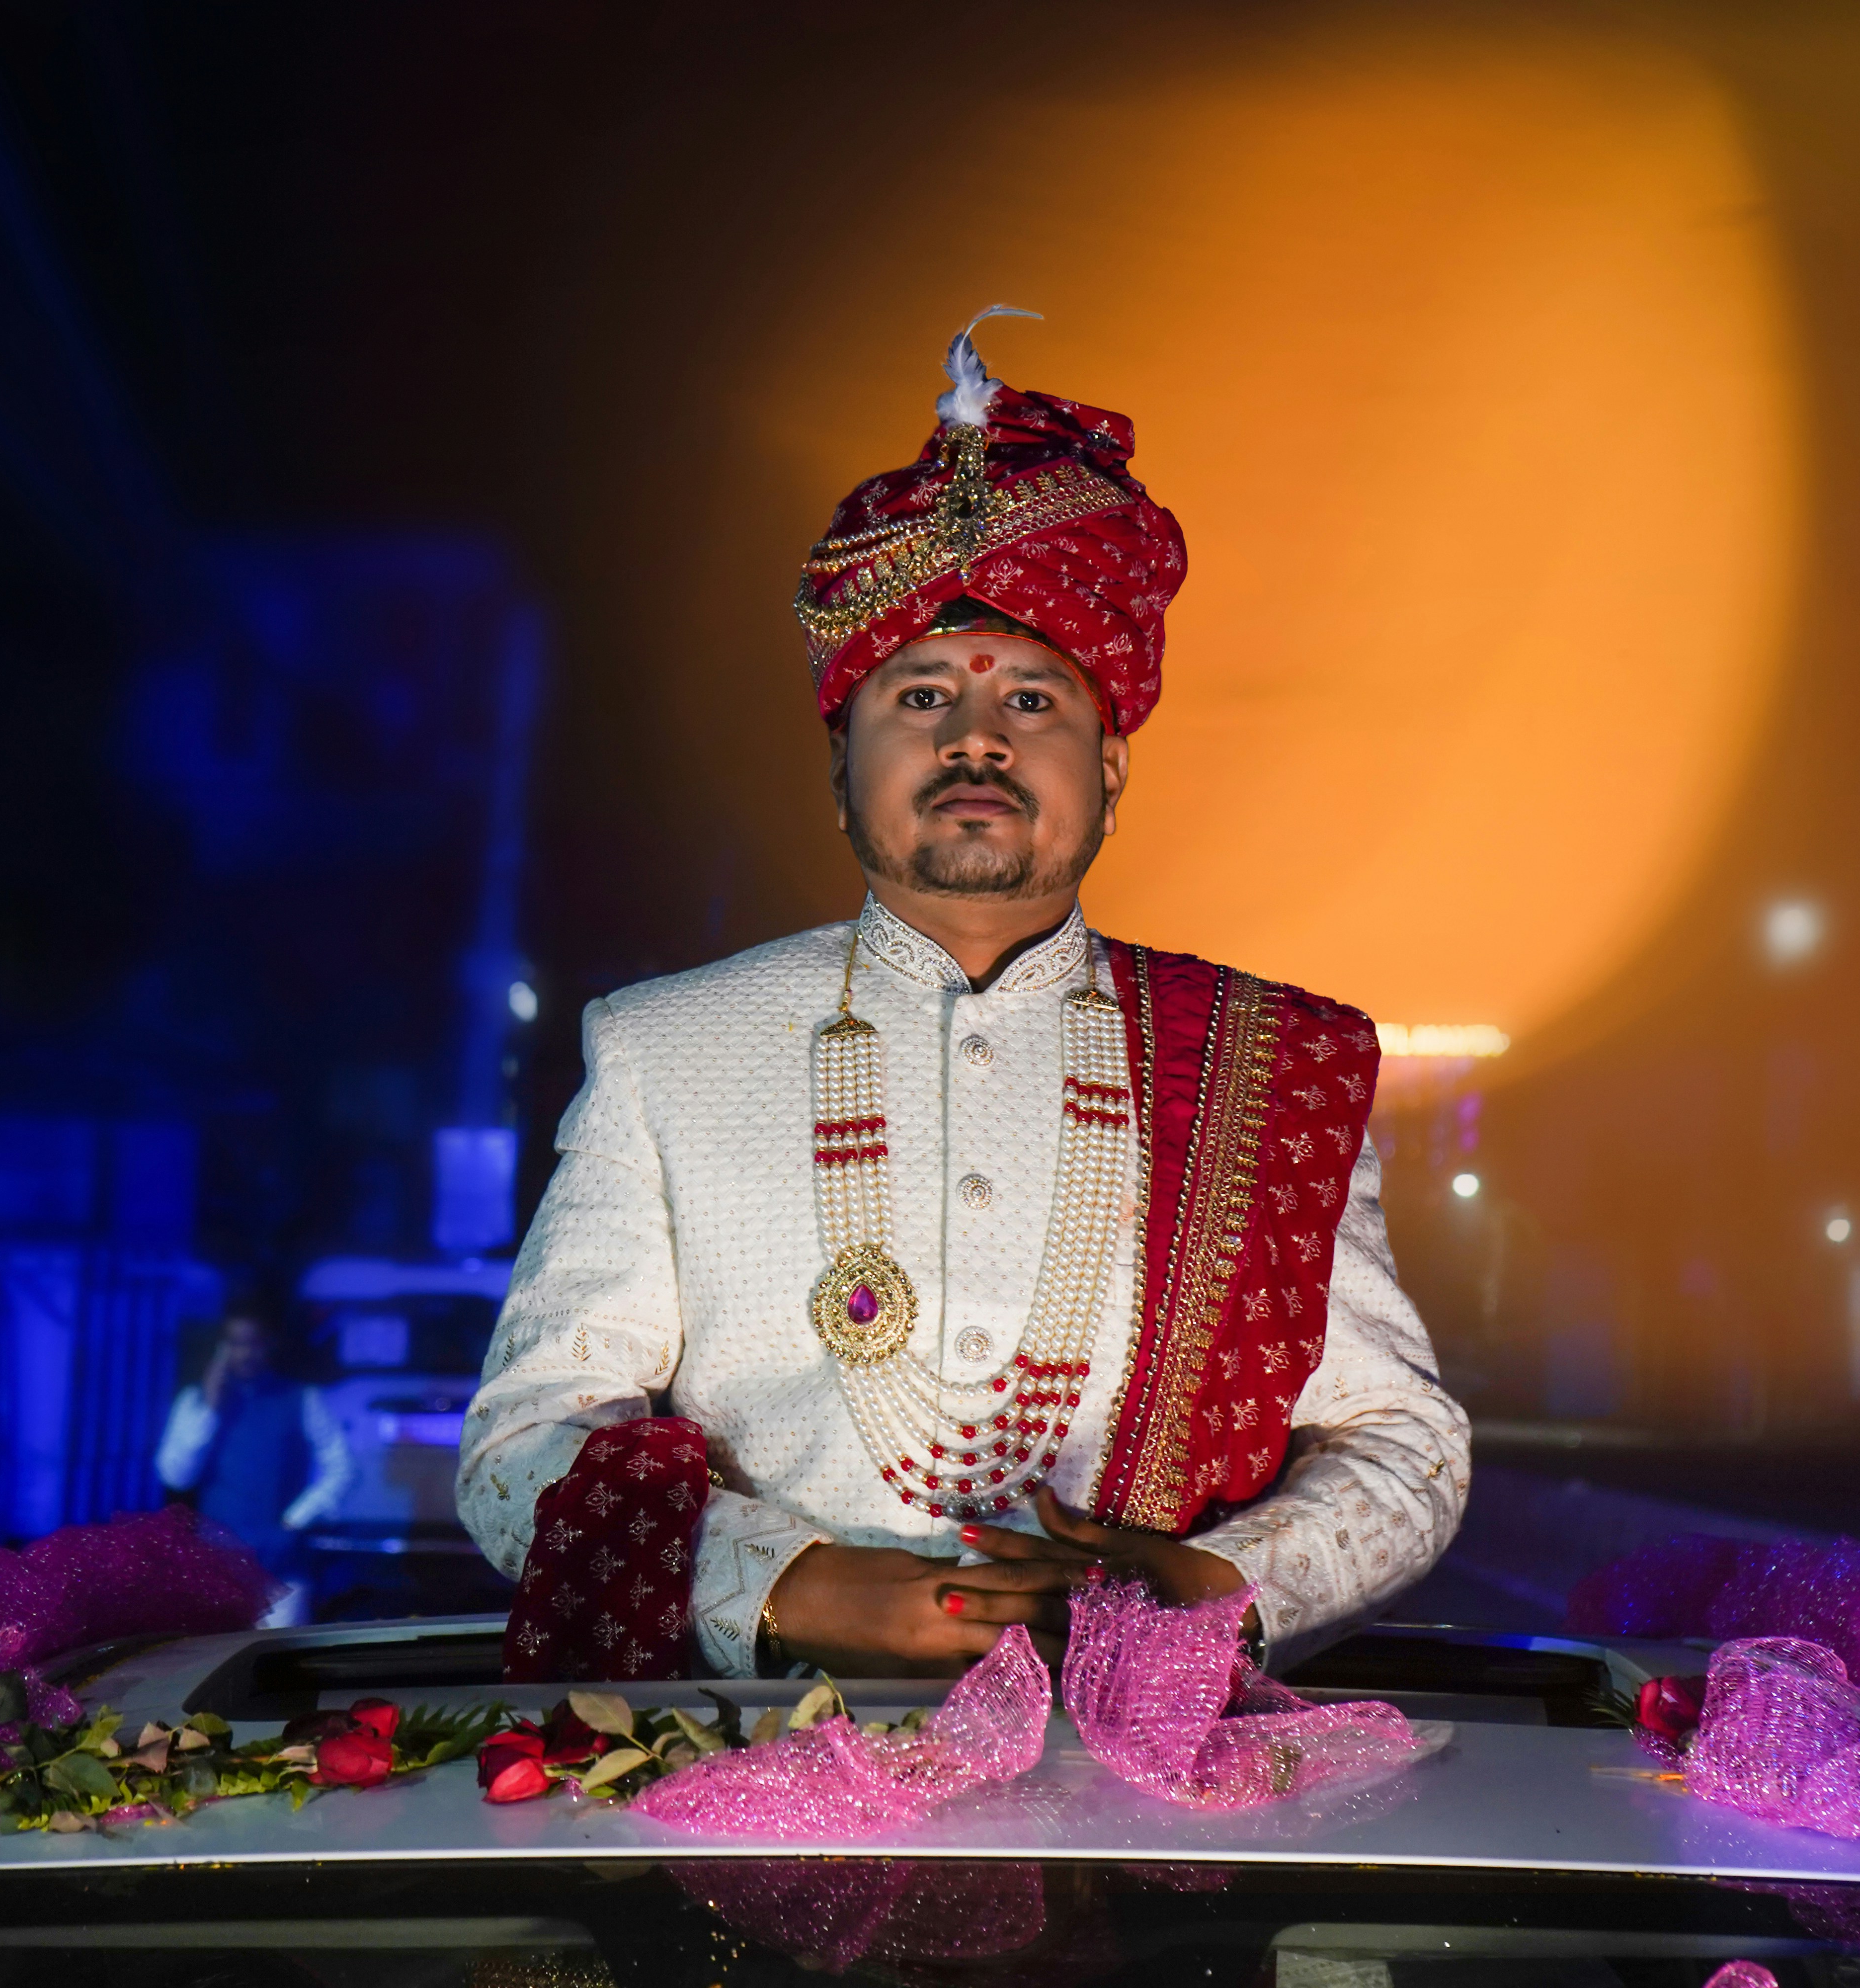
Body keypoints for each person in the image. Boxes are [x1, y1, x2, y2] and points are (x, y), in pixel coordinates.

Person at [459, 311, 1469, 1680]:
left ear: (1112, 766)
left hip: (1150, 1776)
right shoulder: (666, 1051)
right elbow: (524, 1448)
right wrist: (797, 1589)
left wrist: (1211, 1582)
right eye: (919, 695)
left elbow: (1402, 1445)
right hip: (761, 1774)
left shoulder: (1265, 1063)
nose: (977, 737)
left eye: (1038, 706)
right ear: (841, 764)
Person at [157, 1311, 352, 1627]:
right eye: (235, 1344)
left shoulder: (302, 1399)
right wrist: (209, 1410)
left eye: (254, 1344)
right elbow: (176, 1475)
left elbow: (343, 1468)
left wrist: (294, 1521)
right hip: (218, 1564)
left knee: (280, 1662)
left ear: (269, 1345)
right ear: (222, 1349)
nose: (245, 1354)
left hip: (282, 1570)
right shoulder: (197, 1402)